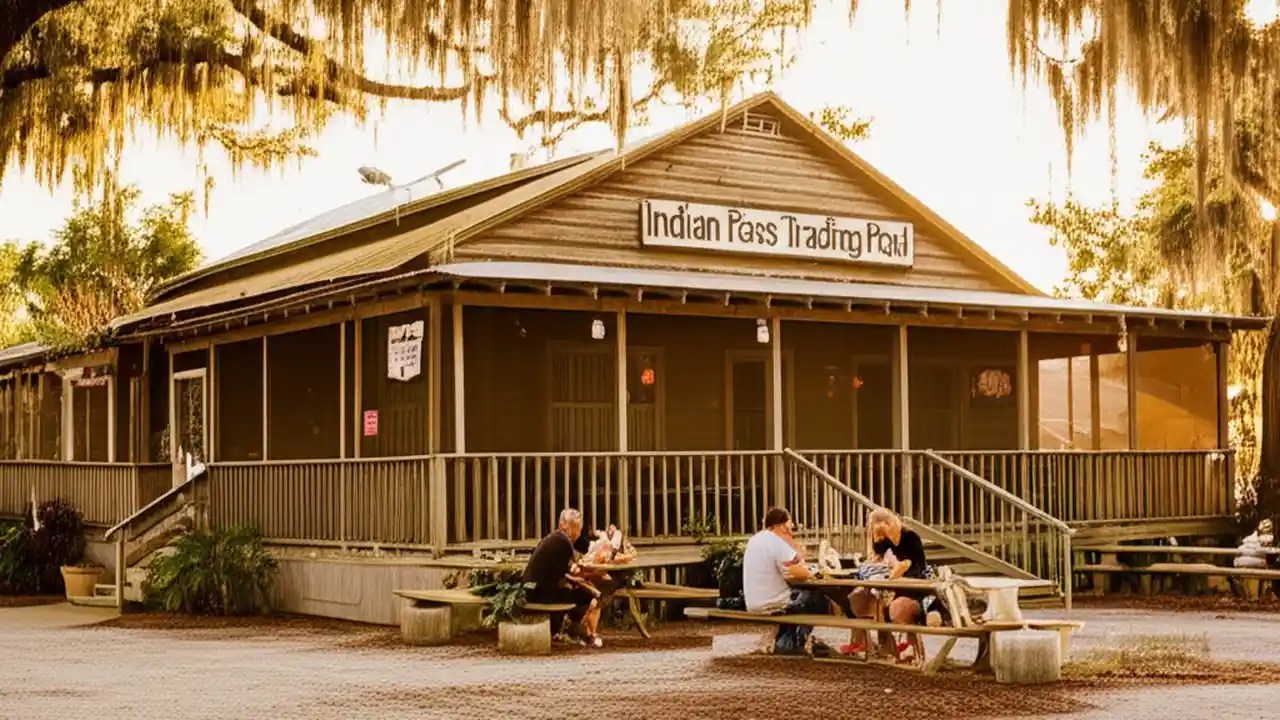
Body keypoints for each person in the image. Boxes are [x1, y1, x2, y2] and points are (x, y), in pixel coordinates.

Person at [842, 508, 937, 659]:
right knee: (862, 597)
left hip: (916, 582)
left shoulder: (910, 538)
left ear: (886, 523)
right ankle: (881, 644)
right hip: (896, 580)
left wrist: (894, 573)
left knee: (899, 607)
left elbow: (912, 566)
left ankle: (909, 645)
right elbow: (877, 555)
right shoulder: (884, 540)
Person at [742, 506, 831, 655]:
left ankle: (785, 640)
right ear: (781, 525)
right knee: (818, 599)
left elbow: (788, 569)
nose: (793, 526)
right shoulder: (777, 543)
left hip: (753, 602)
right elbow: (800, 573)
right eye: (790, 523)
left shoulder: (755, 540)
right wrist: (811, 571)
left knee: (797, 600)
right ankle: (795, 642)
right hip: (772, 602)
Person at [523, 508, 604, 647]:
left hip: (533, 591)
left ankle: (570, 631)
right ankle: (585, 634)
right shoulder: (562, 542)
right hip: (542, 595)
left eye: (579, 528)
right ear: (565, 525)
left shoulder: (555, 538)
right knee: (589, 596)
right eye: (576, 528)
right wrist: (586, 577)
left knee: (579, 592)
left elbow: (563, 572)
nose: (578, 533)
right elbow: (570, 573)